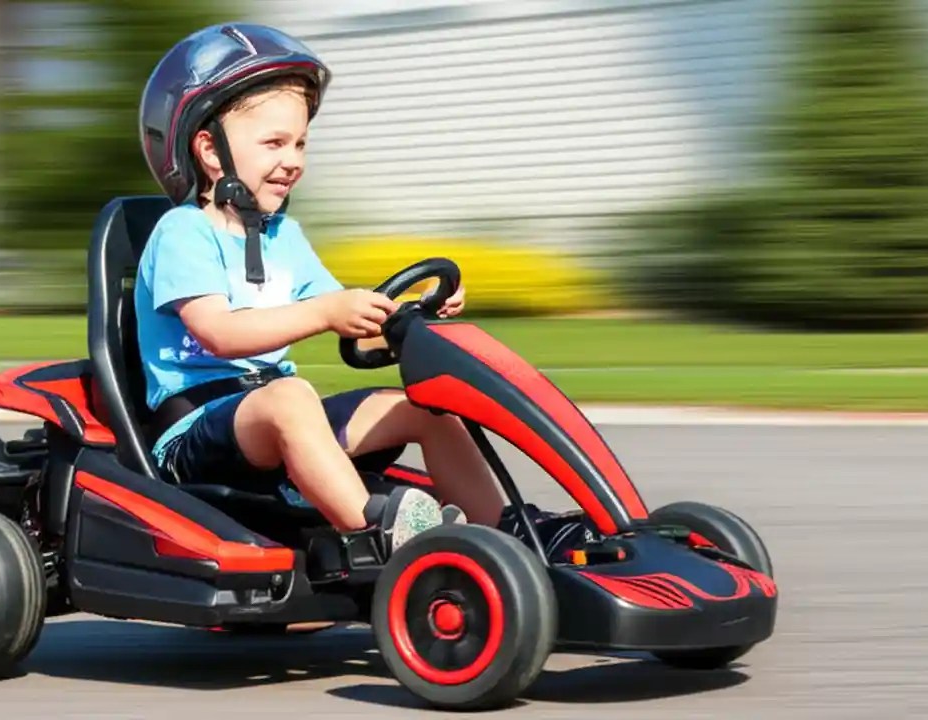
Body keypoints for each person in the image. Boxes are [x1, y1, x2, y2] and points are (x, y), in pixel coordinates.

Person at [133, 23, 594, 559]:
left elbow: (354, 329)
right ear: (210, 151)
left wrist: (407, 315)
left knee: (425, 407)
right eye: (275, 143)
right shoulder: (182, 234)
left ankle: (508, 535)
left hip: (281, 417)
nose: (294, 160)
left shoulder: (284, 236)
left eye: (301, 142)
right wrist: (328, 311)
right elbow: (221, 334)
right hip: (196, 435)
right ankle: (385, 537)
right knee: (290, 397)